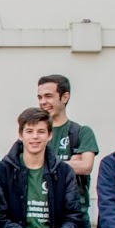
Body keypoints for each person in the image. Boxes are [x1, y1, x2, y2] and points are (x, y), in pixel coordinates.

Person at [35, 74, 100, 216]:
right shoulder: (34, 134)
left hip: (76, 212)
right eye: (40, 97)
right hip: (42, 212)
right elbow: (24, 165)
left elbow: (86, 167)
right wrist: (70, 163)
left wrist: (43, 163)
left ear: (65, 97)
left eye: (48, 96)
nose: (43, 102)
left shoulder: (82, 132)